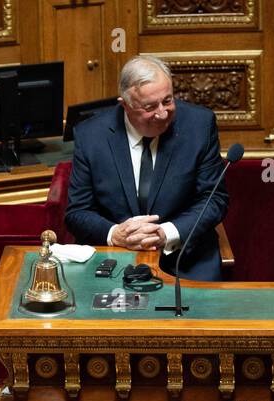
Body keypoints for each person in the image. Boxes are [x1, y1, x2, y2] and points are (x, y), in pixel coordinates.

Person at [64, 55, 228, 281]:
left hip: (186, 258)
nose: (162, 113)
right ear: (126, 105)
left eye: (168, 101)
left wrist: (166, 233)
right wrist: (116, 234)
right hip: (113, 262)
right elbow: (78, 212)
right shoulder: (91, 135)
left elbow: (214, 198)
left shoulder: (199, 125)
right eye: (150, 107)